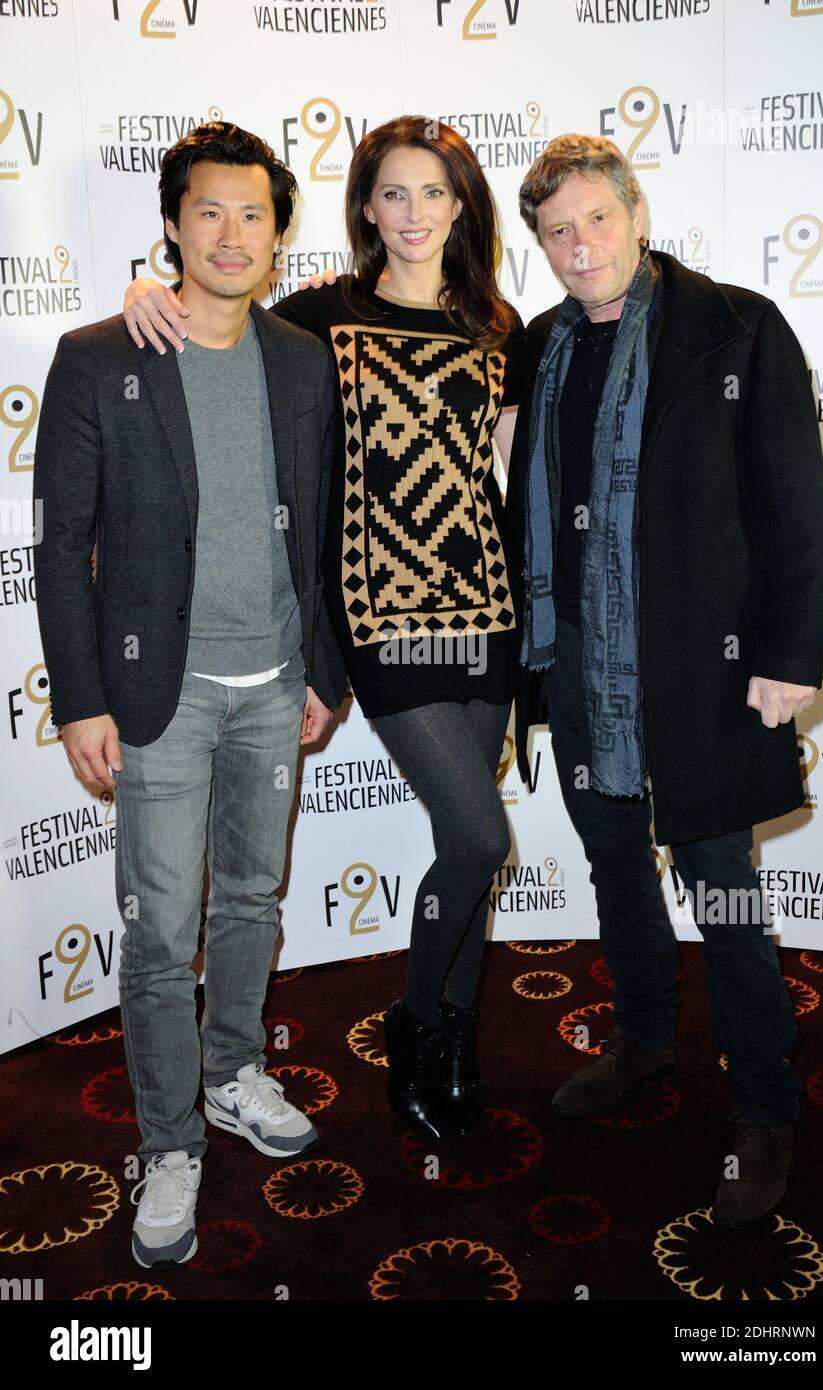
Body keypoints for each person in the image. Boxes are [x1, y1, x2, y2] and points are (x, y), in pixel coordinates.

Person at [122, 116, 525, 1142]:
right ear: (363, 208)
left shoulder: (496, 325)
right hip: (379, 623)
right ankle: (415, 1021)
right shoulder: (318, 319)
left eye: (434, 192)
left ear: (462, 205)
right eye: (392, 193)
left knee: (462, 856)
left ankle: (451, 1038)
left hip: (484, 612)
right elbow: (213, 318)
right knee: (483, 833)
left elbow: (508, 484)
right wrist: (145, 294)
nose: (413, 214)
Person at [33, 122, 347, 1269]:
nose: (229, 233)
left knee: (253, 899)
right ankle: (167, 1141)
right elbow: (61, 542)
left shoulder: (305, 358)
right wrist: (78, 697)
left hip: (273, 684)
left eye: (252, 214)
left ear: (278, 232)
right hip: (152, 692)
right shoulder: (100, 354)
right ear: (170, 222)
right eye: (206, 211)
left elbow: (317, 528)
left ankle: (231, 1075)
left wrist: (321, 667)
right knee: (162, 930)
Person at [505, 133, 823, 1227]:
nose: (578, 244)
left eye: (595, 219)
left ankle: (766, 1103)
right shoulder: (539, 348)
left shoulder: (733, 323)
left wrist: (790, 657)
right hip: (585, 676)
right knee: (615, 872)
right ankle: (644, 1041)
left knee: (725, 892)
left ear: (635, 214)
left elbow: (793, 505)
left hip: (707, 674)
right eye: (555, 231)